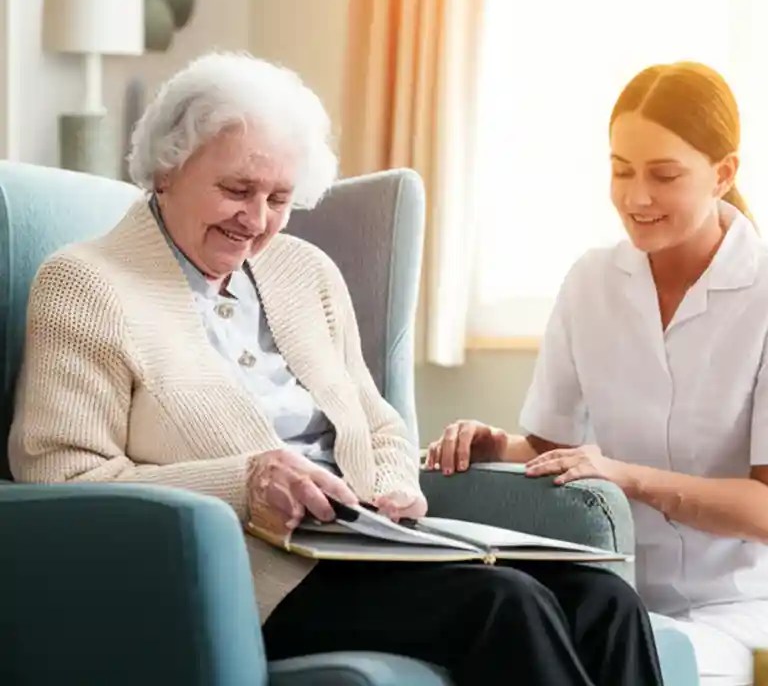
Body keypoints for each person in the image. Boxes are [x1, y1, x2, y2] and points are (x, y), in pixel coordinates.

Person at [7, 52, 663, 686]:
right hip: (246, 578)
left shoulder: (306, 273)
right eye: (237, 190)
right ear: (168, 169)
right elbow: (63, 476)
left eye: (279, 198)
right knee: (503, 603)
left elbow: (380, 424)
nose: (257, 220)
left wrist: (392, 486)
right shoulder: (86, 286)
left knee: (605, 600)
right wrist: (247, 483)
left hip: (367, 549)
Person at [426, 61, 768, 685]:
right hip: (621, 597)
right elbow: (551, 448)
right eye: (621, 171)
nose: (636, 197)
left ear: (723, 174)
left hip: (748, 609)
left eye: (664, 176)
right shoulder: (591, 282)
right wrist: (495, 449)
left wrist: (628, 478)